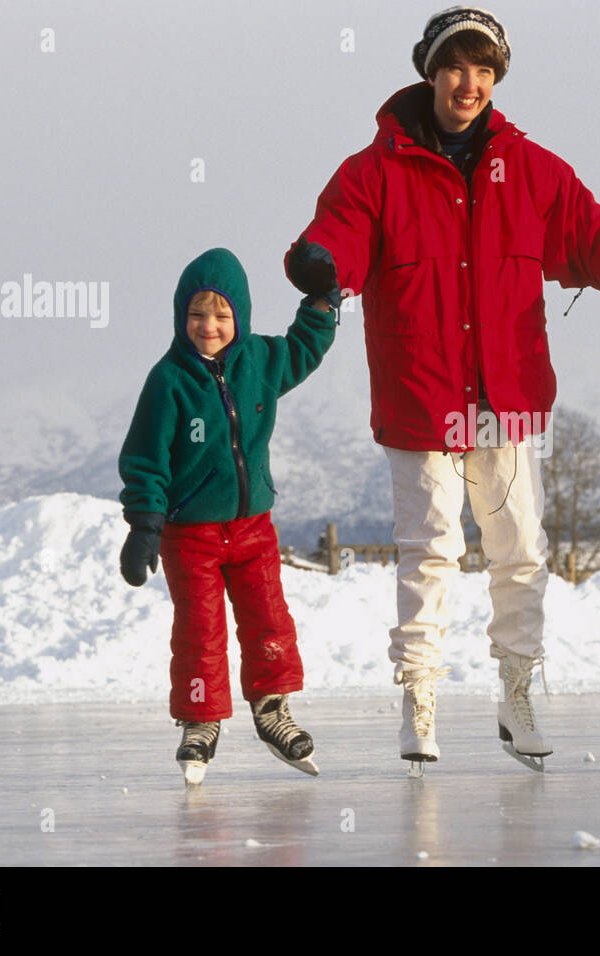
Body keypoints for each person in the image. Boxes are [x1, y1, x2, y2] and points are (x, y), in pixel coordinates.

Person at [285, 6, 600, 769]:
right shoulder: (374, 172)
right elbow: (339, 234)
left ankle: (517, 695)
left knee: (519, 551)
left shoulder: (532, 169)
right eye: (456, 66)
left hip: (509, 399)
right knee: (430, 552)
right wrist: (318, 263)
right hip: (422, 397)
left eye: (484, 70)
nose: (469, 82)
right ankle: (419, 702)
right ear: (430, 71)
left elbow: (593, 235)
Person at [118, 245, 338, 784]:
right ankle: (199, 720)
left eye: (220, 315)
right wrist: (144, 525)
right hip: (188, 533)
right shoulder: (167, 380)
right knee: (200, 629)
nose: (208, 326)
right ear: (179, 316)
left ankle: (272, 708)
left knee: (269, 618)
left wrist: (322, 303)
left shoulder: (260, 362)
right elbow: (146, 459)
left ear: (239, 316)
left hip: (252, 527)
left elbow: (305, 348)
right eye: (196, 314)